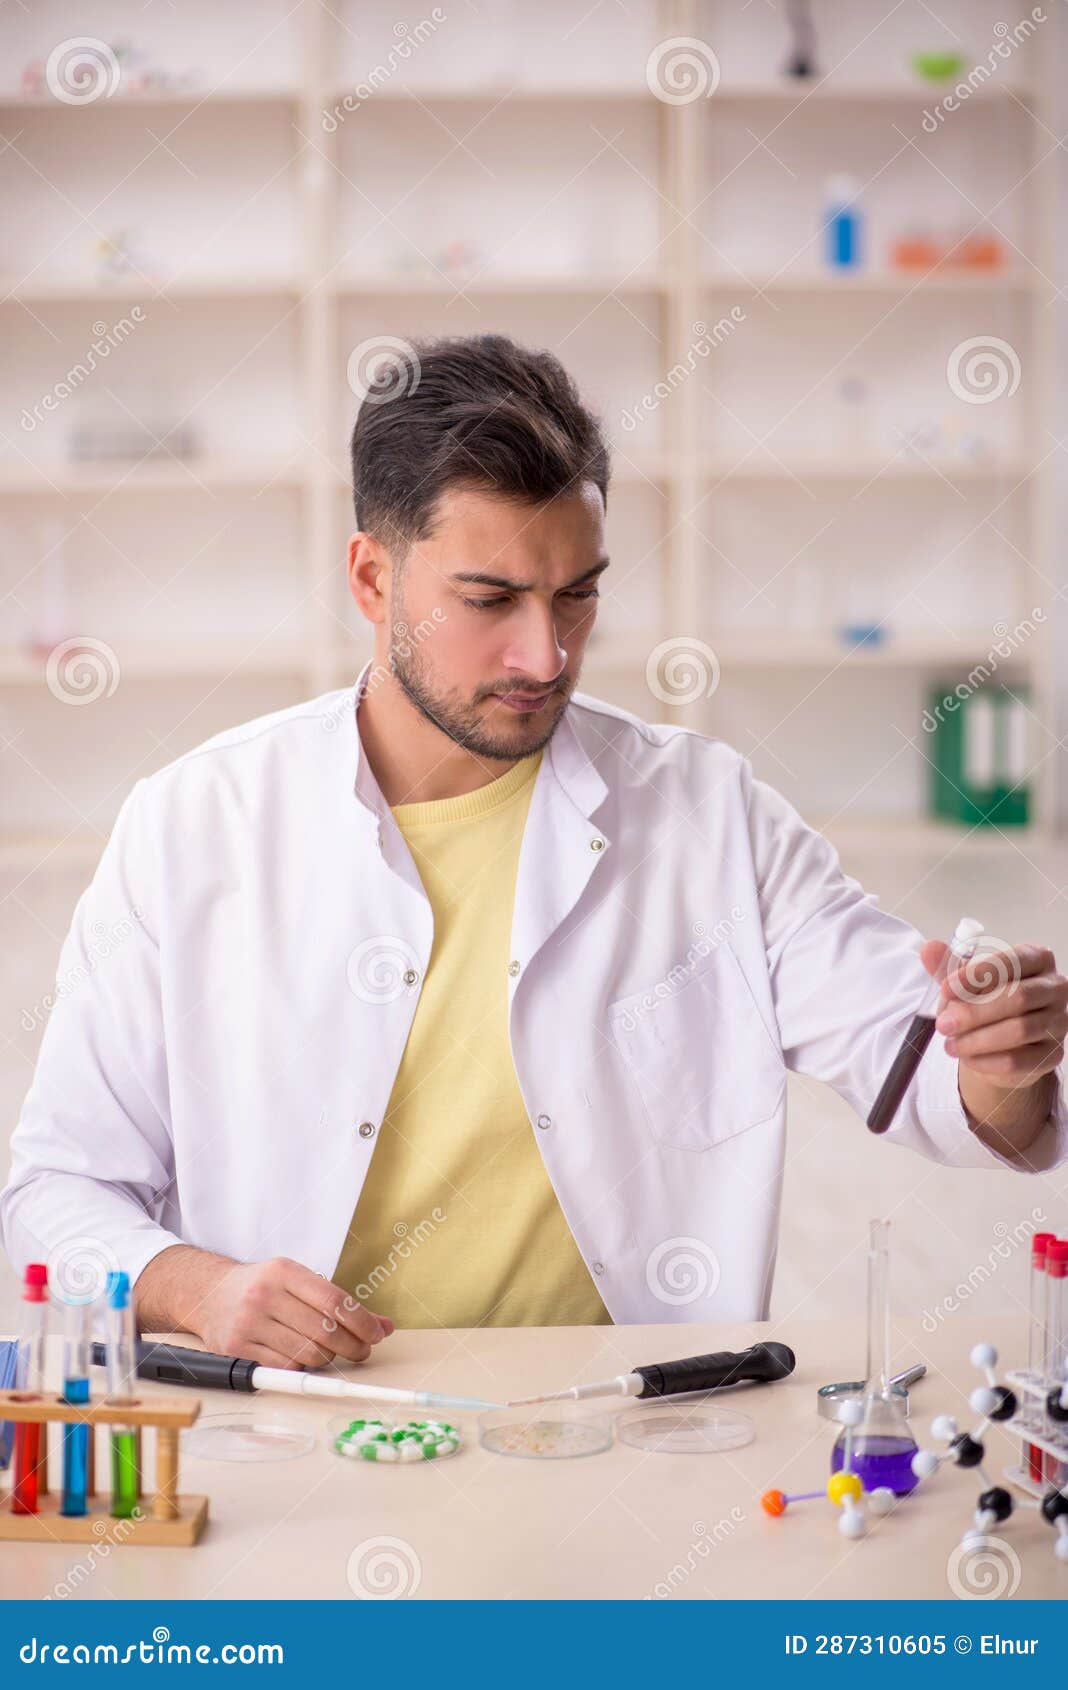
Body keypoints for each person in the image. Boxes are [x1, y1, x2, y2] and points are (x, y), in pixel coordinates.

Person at [3, 334, 1066, 1369]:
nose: (545, 653)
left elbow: (928, 1078)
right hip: (310, 1423)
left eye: (578, 594)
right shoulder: (194, 826)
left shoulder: (706, 811)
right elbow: (53, 1190)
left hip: (632, 1421)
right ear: (373, 580)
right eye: (491, 599)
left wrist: (1000, 1056)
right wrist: (203, 1288)